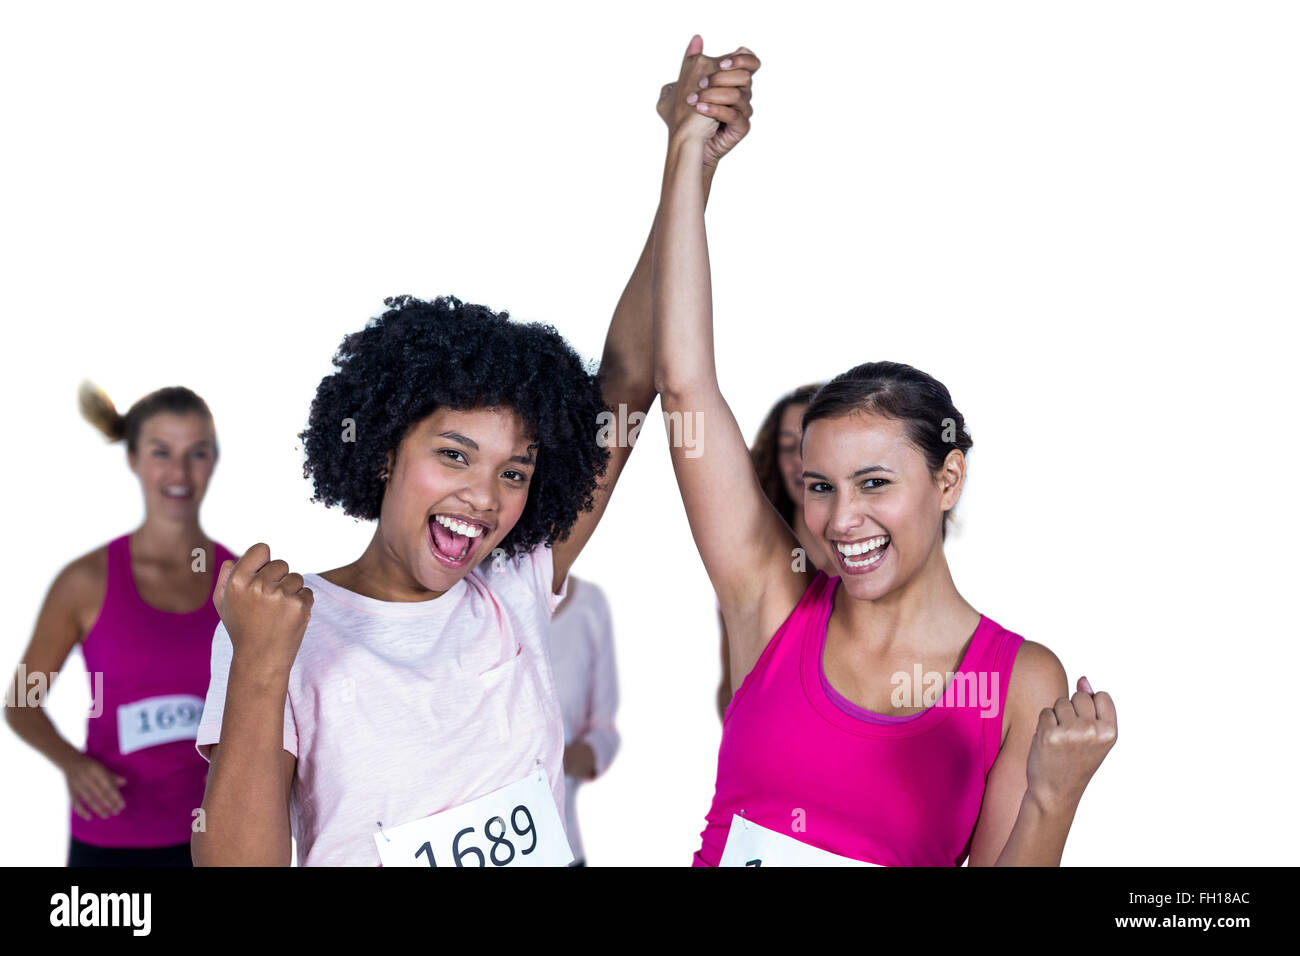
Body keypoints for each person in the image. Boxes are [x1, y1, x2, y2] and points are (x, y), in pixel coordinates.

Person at [190, 37, 759, 866]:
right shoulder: (284, 623)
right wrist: (263, 664)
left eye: (515, 471)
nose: (485, 498)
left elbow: (629, 380)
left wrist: (689, 162)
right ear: (385, 448)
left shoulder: (514, 584)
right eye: (454, 455)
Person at [651, 48, 1119, 866]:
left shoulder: (1016, 682)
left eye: (875, 483)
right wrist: (688, 152)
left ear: (947, 479)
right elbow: (685, 386)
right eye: (819, 487)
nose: (840, 520)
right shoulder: (771, 603)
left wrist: (1052, 795)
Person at [4, 382, 235, 866]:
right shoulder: (84, 582)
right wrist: (71, 764)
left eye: (197, 453)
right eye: (161, 452)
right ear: (132, 459)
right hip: (111, 844)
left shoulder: (239, 581)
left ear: (214, 460)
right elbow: (21, 702)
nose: (179, 472)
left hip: (219, 840)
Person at [717, 384, 826, 721]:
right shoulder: (752, 558)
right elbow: (731, 690)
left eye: (810, 445)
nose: (799, 462)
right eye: (787, 448)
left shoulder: (875, 557)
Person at [548, 575, 619, 866]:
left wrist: (554, 762)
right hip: (483, 845)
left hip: (564, 848)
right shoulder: (475, 596)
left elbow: (604, 733)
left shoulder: (589, 605)